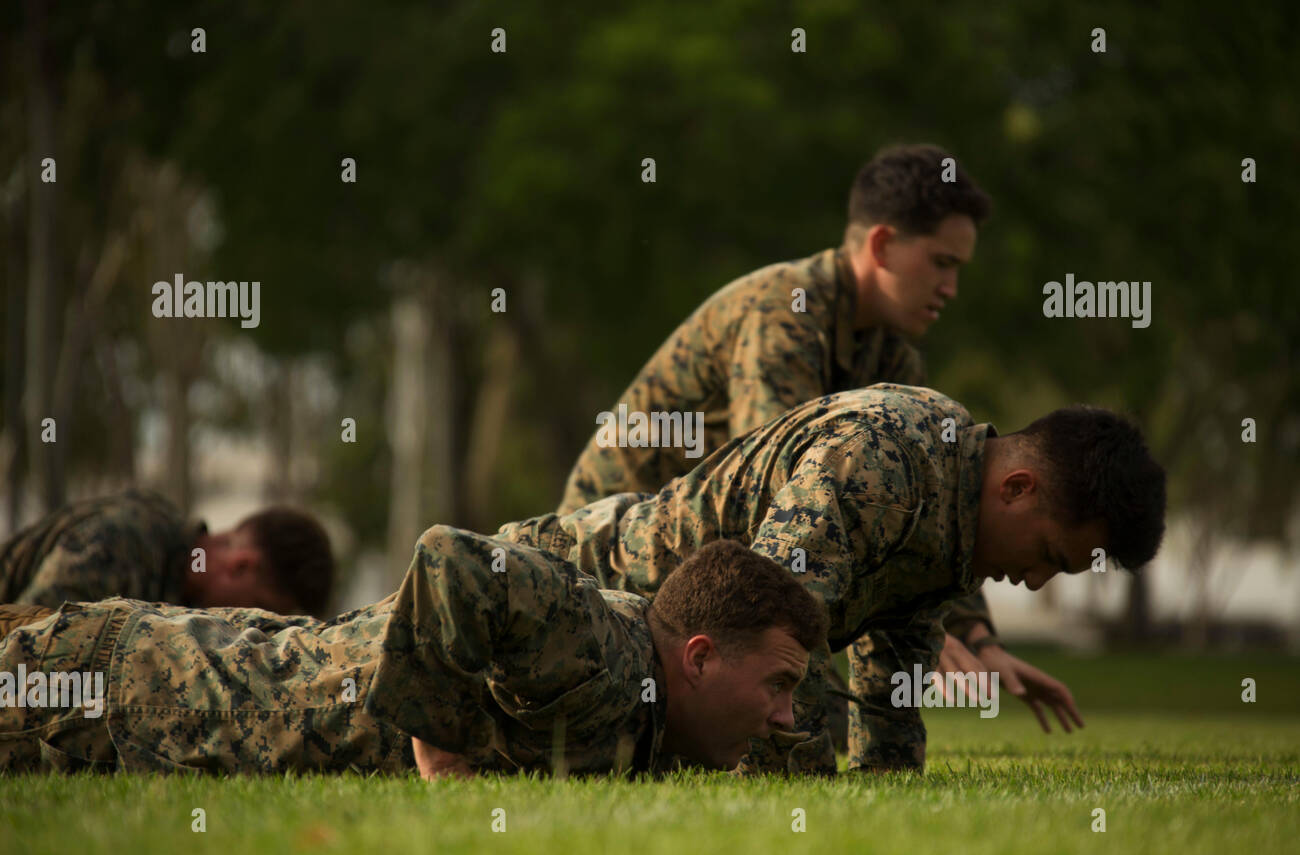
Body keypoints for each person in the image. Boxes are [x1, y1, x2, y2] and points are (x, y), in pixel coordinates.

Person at [557, 144, 1014, 743]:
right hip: (617, 550)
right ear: (881, 245)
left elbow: (934, 500)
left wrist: (978, 638)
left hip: (701, 559)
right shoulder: (784, 312)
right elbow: (787, 505)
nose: (951, 287)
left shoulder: (891, 354)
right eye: (941, 262)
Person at [499, 384, 1167, 774]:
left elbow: (895, 653)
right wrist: (799, 783)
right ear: (1018, 489)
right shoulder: (881, 459)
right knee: (418, 699)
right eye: (1051, 553)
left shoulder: (956, 506)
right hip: (576, 581)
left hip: (670, 652)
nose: (1036, 581)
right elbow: (773, 626)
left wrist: (888, 777)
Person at [0, 529, 826, 778]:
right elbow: (452, 560)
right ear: (700, 657)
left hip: (142, 673)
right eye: (780, 686)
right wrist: (446, 766)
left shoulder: (656, 699)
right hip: (113, 695)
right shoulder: (602, 652)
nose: (786, 714)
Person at [0, 489, 335, 616]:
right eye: (262, 610)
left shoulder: (181, 594)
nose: (255, 624)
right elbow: (19, 642)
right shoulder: (124, 546)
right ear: (240, 566)